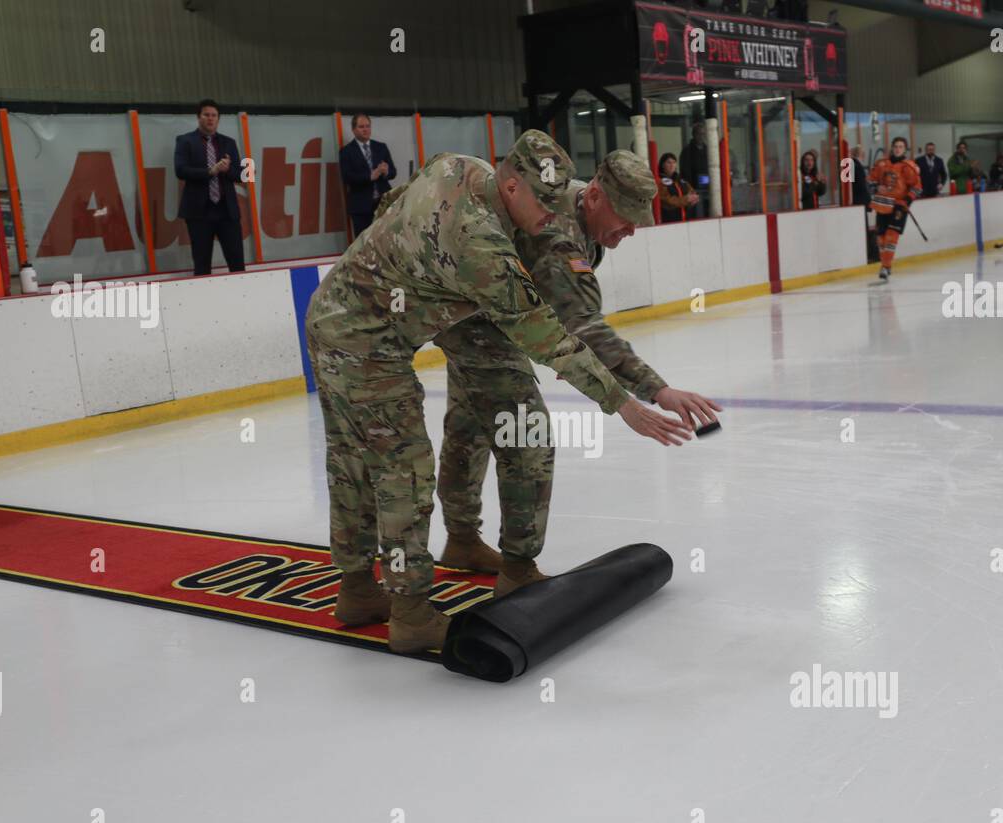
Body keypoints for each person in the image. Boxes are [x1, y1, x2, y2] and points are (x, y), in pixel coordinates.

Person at [304, 131, 691, 654]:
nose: (553, 220)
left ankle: (356, 589)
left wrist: (399, 264)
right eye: (545, 208)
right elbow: (549, 334)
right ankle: (412, 613)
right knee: (405, 472)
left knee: (352, 461)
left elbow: (394, 203)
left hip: (333, 313)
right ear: (511, 186)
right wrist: (623, 401)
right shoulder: (482, 243)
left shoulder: (461, 165)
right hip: (370, 343)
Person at [433, 149, 722, 593]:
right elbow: (581, 324)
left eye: (636, 220)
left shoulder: (581, 210)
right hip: (478, 317)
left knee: (470, 421)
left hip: (484, 307)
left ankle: (461, 538)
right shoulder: (559, 236)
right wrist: (655, 390)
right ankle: (517, 569)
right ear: (594, 196)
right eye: (624, 218)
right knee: (526, 431)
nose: (629, 230)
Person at [174, 99, 245, 276]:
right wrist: (210, 171)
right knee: (202, 262)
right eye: (206, 115)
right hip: (199, 212)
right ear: (198, 117)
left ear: (218, 119)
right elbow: (180, 170)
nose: (210, 119)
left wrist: (227, 169)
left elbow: (242, 175)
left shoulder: (229, 142)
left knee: (237, 261)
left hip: (226, 211)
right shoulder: (185, 141)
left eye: (214, 115)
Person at [869, 136, 921, 281]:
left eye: (901, 147)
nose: (898, 149)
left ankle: (885, 267)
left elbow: (917, 187)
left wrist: (907, 200)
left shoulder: (908, 167)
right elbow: (871, 180)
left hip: (899, 206)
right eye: (896, 146)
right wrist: (875, 187)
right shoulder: (882, 164)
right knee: (881, 239)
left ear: (905, 149)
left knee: (891, 237)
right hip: (882, 204)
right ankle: (887, 264)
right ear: (892, 147)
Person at [339, 113, 397, 238]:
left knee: (386, 239)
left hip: (384, 203)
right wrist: (370, 176)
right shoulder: (346, 151)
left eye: (368, 126)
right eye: (361, 127)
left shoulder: (381, 147)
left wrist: (386, 171)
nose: (365, 129)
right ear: (354, 130)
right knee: (364, 243)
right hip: (361, 206)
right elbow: (347, 177)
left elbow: (393, 172)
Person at [849, 145, 876, 264]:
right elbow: (860, 186)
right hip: (859, 203)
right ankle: (868, 254)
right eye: (862, 153)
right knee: (863, 229)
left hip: (859, 202)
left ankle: (869, 253)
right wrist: (868, 200)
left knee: (865, 229)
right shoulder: (855, 165)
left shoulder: (854, 164)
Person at [679, 121, 711, 218]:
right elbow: (685, 172)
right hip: (694, 190)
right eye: (698, 133)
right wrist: (690, 188)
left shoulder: (709, 150)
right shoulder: (687, 151)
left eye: (703, 134)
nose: (701, 136)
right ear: (693, 134)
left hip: (709, 190)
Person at [657, 152, 697, 223]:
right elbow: (667, 201)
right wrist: (686, 200)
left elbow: (692, 192)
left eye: (674, 162)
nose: (672, 165)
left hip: (685, 219)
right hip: (668, 221)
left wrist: (693, 198)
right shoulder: (660, 181)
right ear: (663, 165)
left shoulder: (680, 180)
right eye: (669, 162)